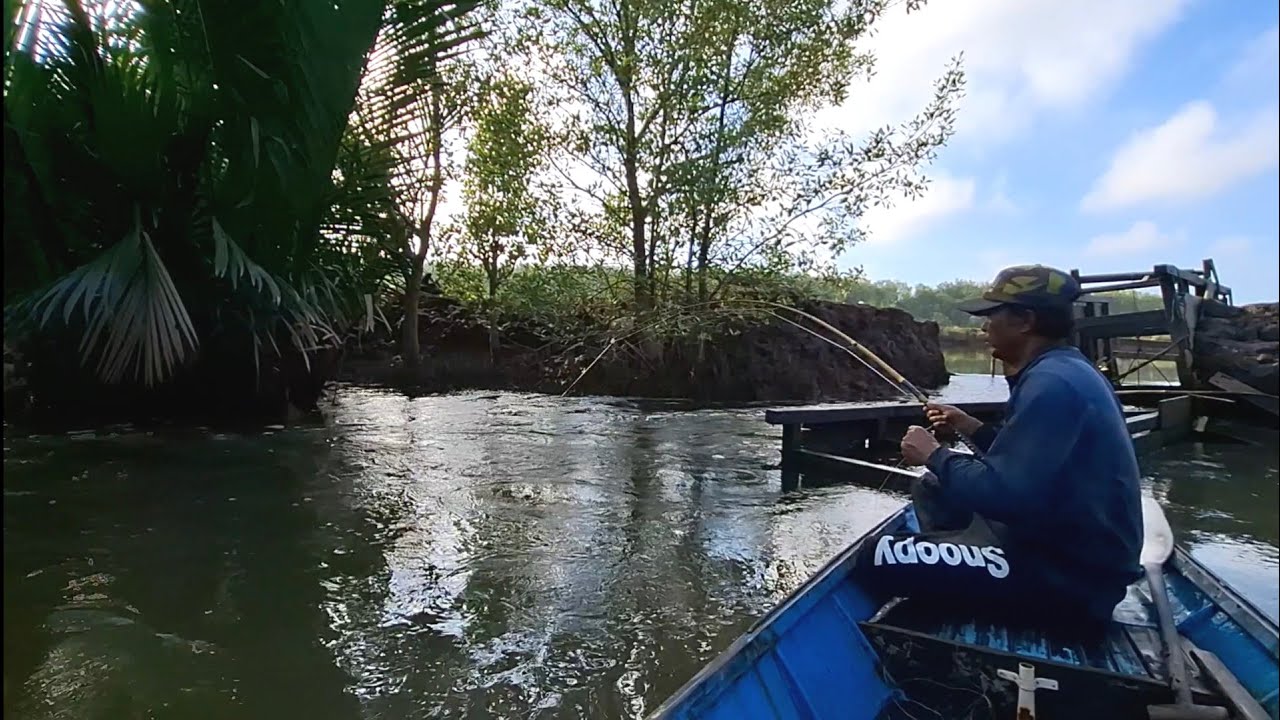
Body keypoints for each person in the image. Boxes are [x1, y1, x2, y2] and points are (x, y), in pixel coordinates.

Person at [852, 264, 1143, 628]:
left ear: (1024, 320)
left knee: (874, 555)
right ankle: (956, 565)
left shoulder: (1051, 385)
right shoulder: (1067, 371)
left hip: (1067, 580)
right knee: (934, 488)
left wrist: (933, 455)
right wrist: (971, 427)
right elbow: (1032, 460)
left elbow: (1006, 495)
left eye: (992, 315)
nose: (984, 326)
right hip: (1072, 556)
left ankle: (955, 588)